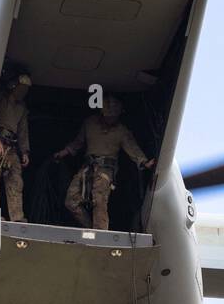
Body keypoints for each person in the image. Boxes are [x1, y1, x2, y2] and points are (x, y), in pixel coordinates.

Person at [55, 95, 156, 230]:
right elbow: (77, 143)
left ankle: (100, 232)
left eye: (114, 116)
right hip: (87, 168)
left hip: (106, 170)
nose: (111, 118)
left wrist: (144, 162)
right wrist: (63, 153)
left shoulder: (122, 131)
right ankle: (91, 228)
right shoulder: (89, 123)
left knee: (99, 200)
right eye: (108, 115)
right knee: (71, 201)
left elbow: (133, 148)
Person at [0, 71, 32, 222]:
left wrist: (24, 151)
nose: (23, 92)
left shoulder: (21, 108)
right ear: (13, 86)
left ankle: (17, 218)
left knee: (16, 182)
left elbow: (23, 130)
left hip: (11, 147)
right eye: (21, 88)